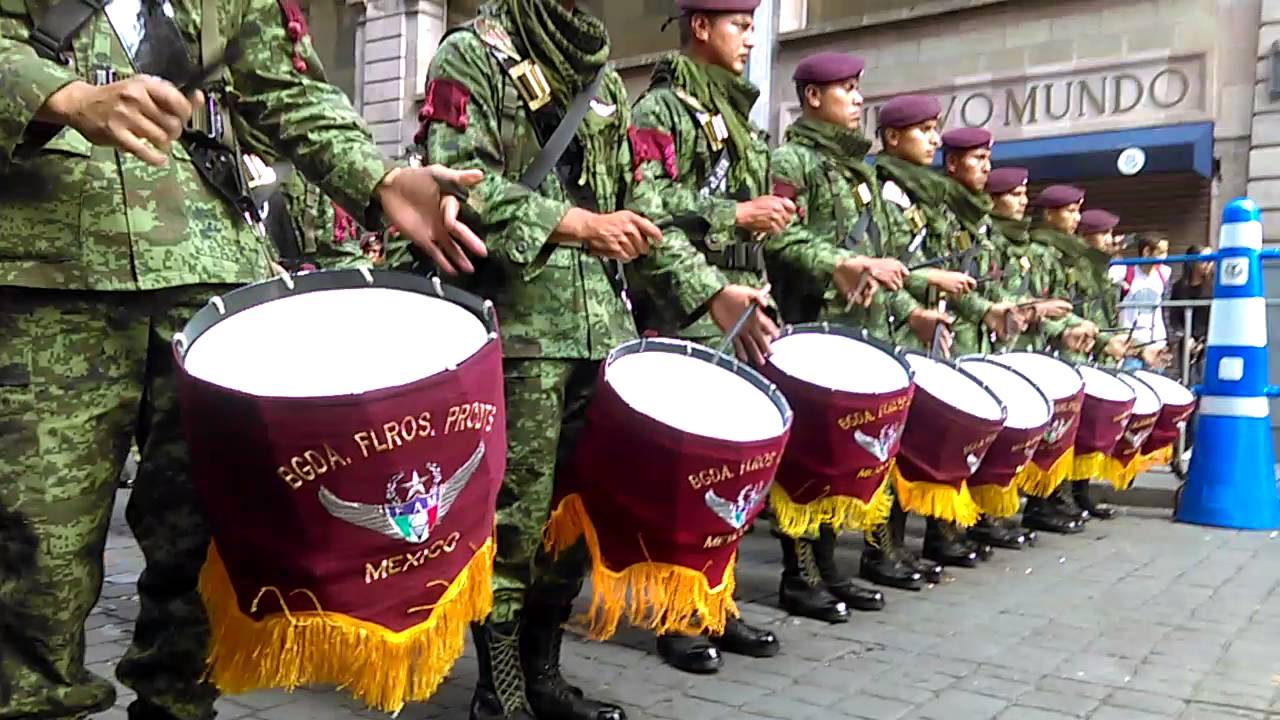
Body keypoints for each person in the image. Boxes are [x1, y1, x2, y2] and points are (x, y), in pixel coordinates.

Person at [0, 2, 482, 719]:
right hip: (48, 273)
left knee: (207, 546)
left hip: (208, 284)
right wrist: (64, 96)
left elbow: (282, 84)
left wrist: (379, 181)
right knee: (35, 559)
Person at [416, 0, 773, 712]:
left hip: (600, 334)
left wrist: (710, 293)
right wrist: (574, 223)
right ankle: (501, 688)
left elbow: (640, 208)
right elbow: (456, 184)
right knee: (514, 523)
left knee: (575, 518)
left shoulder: (602, 80)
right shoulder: (472, 54)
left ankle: (544, 672)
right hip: (519, 334)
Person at [629, 0, 793, 675]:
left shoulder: (741, 120)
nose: (750, 40)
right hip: (688, 303)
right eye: (739, 26)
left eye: (754, 27)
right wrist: (736, 213)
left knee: (737, 467)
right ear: (701, 26)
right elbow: (645, 204)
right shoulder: (660, 110)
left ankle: (715, 600)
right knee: (686, 470)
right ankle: (675, 612)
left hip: (744, 304)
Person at [765, 51, 910, 624]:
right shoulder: (792, 160)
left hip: (859, 327)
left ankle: (828, 568)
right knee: (806, 457)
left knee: (839, 454)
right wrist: (840, 264)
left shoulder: (863, 171)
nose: (857, 99)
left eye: (857, 89)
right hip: (809, 326)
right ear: (811, 98)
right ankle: (798, 576)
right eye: (844, 89)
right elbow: (780, 238)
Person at [1112, 232, 1173, 371]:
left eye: (1166, 252)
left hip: (1156, 341)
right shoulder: (1126, 270)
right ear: (1146, 252)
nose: (1165, 257)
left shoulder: (1164, 272)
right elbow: (1106, 276)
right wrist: (1116, 250)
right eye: (1161, 252)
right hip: (1131, 342)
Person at [1169, 244, 1214, 379]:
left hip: (1209, 341)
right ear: (1192, 262)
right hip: (1187, 340)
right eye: (1204, 260)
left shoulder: (1215, 285)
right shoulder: (1179, 287)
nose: (1208, 264)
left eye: (1211, 260)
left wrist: (1204, 341)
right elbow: (1174, 317)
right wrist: (1185, 336)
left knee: (1206, 379)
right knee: (1186, 379)